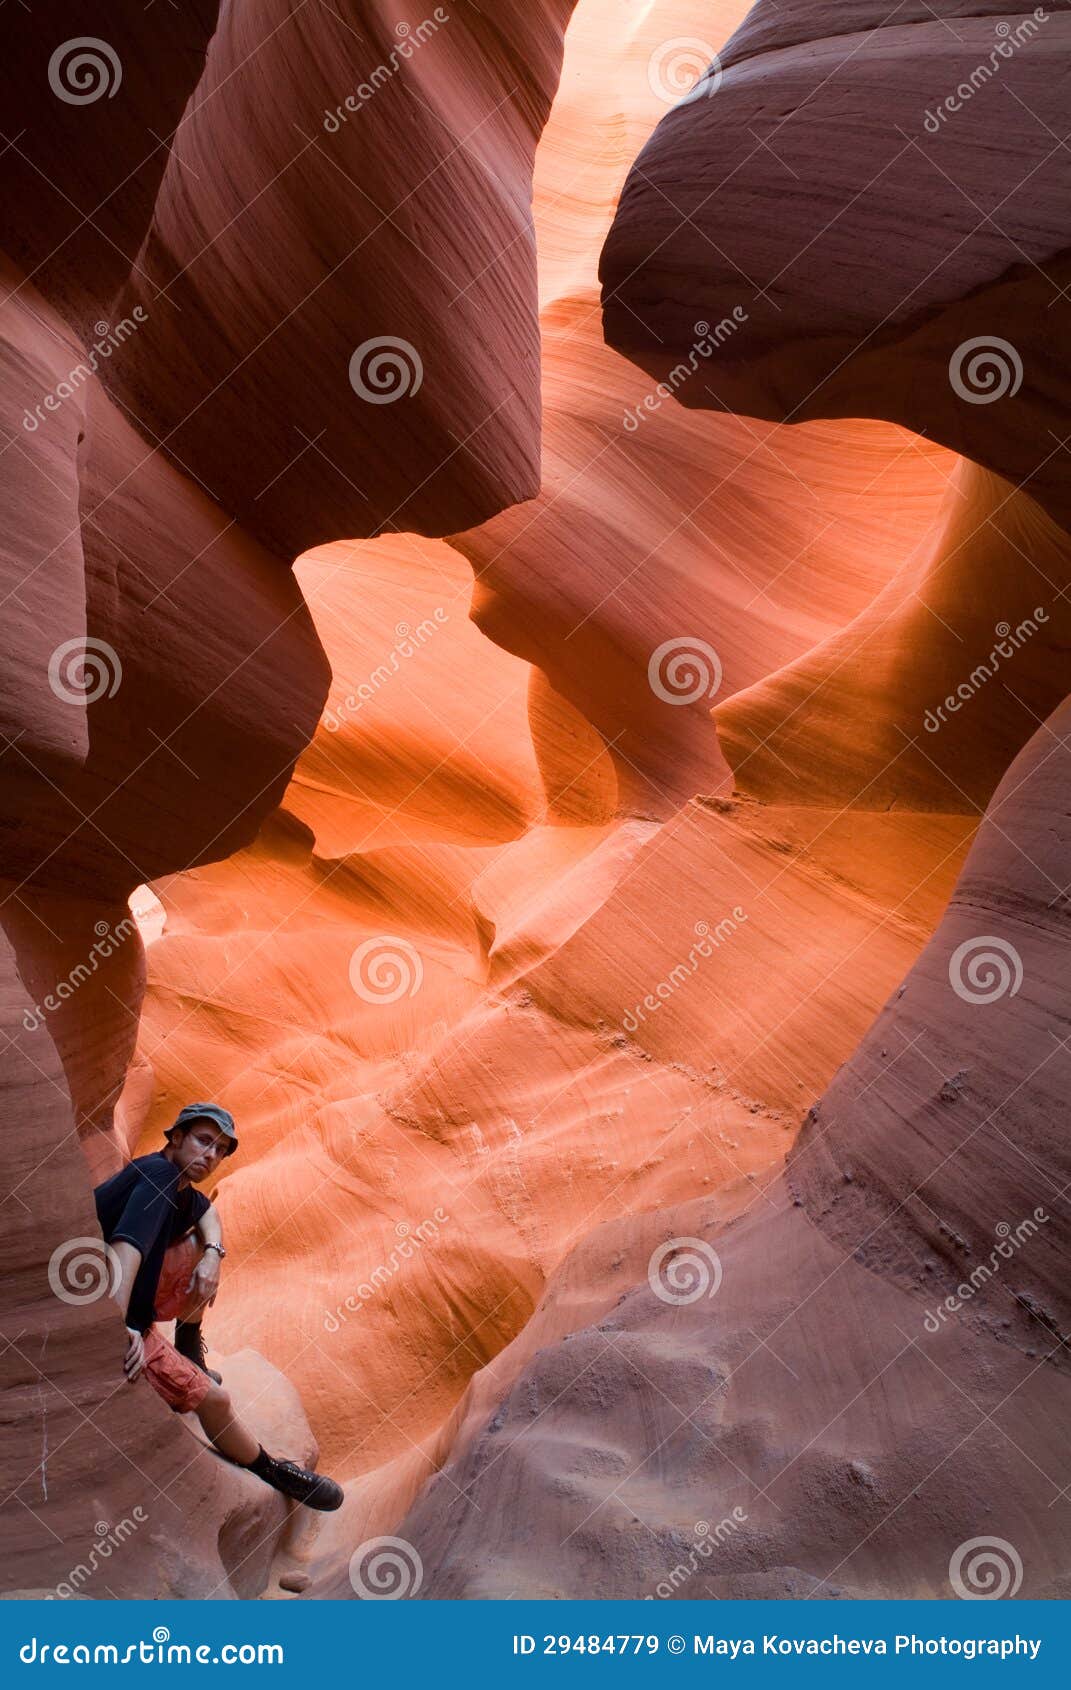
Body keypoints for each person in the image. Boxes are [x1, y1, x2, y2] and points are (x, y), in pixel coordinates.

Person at [93, 1102, 342, 1511]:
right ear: (176, 1137)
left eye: (220, 1150)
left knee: (198, 1248)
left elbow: (206, 1211)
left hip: (118, 1299)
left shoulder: (174, 1184)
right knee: (217, 1401)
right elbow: (128, 1245)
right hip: (111, 1311)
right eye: (203, 1141)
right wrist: (119, 1326)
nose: (210, 1156)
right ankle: (271, 1469)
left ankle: (189, 1345)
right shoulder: (158, 1176)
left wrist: (213, 1252)